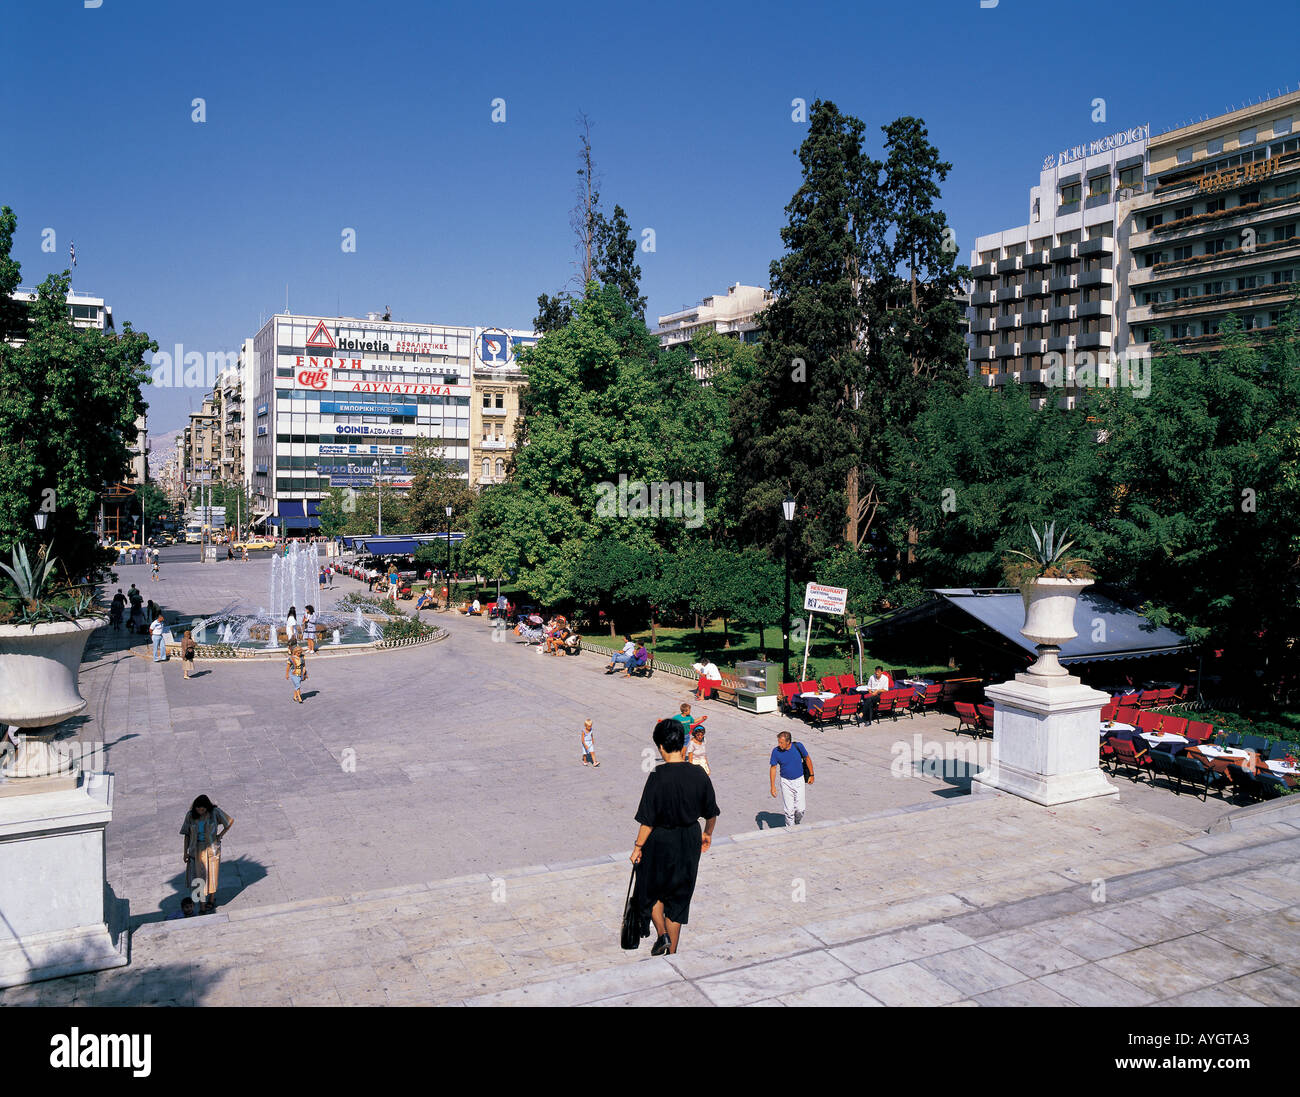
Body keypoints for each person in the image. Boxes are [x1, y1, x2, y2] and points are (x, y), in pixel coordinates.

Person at [630, 719, 720, 956]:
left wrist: (638, 847)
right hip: (689, 839)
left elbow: (647, 820)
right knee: (679, 898)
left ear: (660, 747)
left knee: (650, 891)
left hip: (660, 839)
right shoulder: (699, 774)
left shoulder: (657, 775)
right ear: (683, 744)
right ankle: (672, 954)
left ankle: (662, 935)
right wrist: (707, 834)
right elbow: (711, 813)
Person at [180, 794, 233, 914]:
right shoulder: (190, 816)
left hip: (212, 849)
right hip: (196, 849)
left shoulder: (215, 812)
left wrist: (220, 835)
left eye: (203, 809)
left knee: (212, 875)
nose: (200, 811)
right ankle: (202, 905)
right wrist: (185, 852)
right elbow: (186, 834)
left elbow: (229, 822)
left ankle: (212, 898)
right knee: (199, 877)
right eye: (198, 809)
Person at [770, 731, 813, 828]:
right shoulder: (775, 751)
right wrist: (772, 786)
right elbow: (773, 768)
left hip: (799, 780)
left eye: (781, 742)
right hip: (785, 782)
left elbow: (807, 758)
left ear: (788, 742)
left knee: (800, 809)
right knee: (789, 811)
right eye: (778, 742)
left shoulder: (799, 746)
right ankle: (791, 829)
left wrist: (812, 775)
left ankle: (796, 822)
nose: (779, 745)